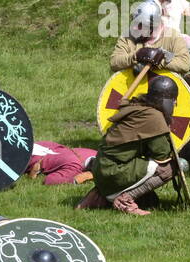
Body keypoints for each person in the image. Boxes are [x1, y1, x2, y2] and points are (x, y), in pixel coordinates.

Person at [77, 76, 179, 215]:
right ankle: (125, 201)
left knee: (151, 201)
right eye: (174, 101)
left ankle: (100, 196)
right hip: (112, 170)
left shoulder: (139, 108)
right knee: (170, 168)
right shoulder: (154, 116)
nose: (175, 104)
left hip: (102, 168)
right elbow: (162, 155)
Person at [109, 1, 190, 76]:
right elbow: (114, 61)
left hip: (163, 88)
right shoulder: (128, 37)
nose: (134, 28)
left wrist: (157, 60)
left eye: (140, 25)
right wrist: (136, 56)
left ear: (153, 26)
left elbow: (184, 64)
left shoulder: (174, 37)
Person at [26, 141, 96, 186]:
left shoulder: (95, 153)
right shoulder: (75, 167)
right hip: (31, 157)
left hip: (42, 145)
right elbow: (49, 180)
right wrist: (80, 178)